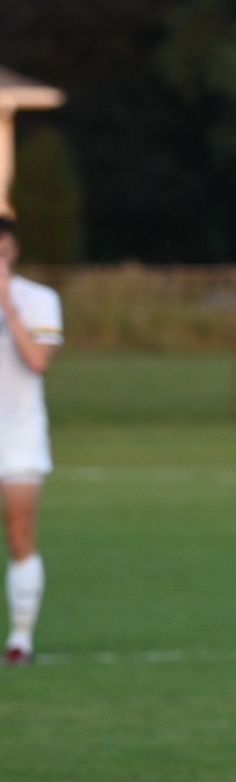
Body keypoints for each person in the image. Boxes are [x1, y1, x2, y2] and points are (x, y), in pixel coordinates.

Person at [0, 217, 61, 663]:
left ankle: (20, 638)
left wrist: (7, 304)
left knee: (19, 535)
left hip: (18, 434)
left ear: (15, 251)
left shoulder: (39, 299)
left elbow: (37, 360)